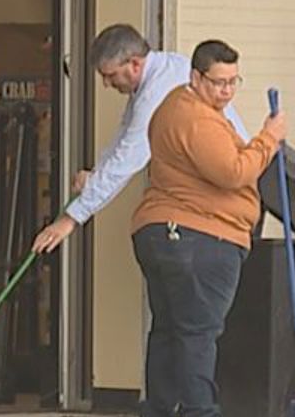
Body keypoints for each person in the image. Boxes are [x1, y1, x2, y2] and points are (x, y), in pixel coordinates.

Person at [126, 40, 286, 417]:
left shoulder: (178, 110)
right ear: (195, 77)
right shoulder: (195, 118)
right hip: (199, 235)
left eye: (234, 82)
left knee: (168, 330)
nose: (227, 92)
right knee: (199, 331)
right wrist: (268, 139)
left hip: (164, 231)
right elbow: (232, 171)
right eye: (218, 83)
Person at [32, 24, 249, 255]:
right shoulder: (164, 70)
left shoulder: (156, 93)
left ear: (134, 64)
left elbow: (128, 158)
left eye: (110, 75)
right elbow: (123, 138)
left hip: (224, 199)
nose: (106, 84)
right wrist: (96, 176)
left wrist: (70, 219)